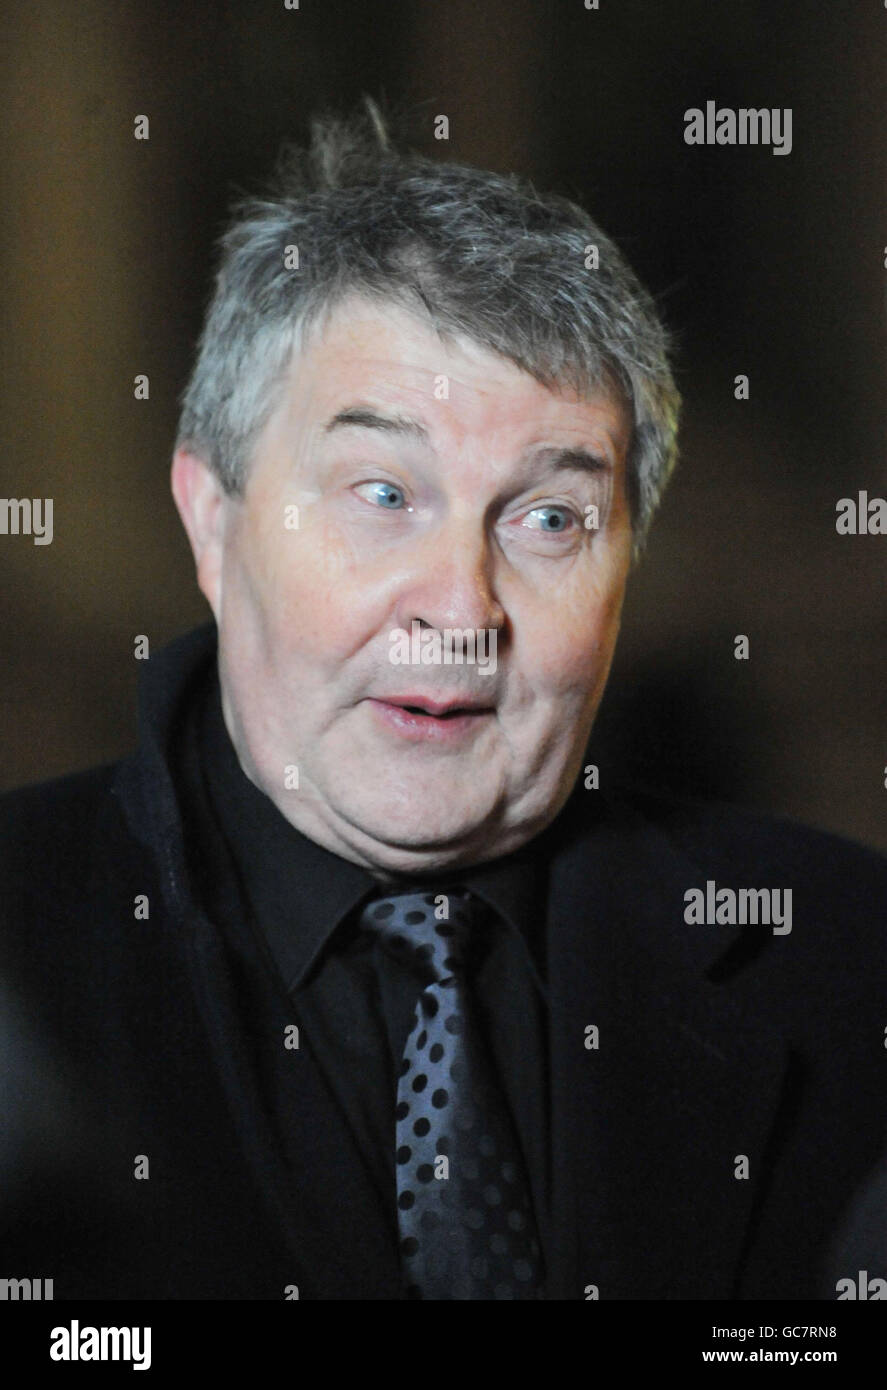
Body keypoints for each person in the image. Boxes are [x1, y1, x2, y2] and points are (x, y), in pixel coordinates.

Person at [1, 104, 885, 1301]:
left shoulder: (847, 957)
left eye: (548, 519)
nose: (461, 609)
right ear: (214, 521)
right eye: (381, 491)